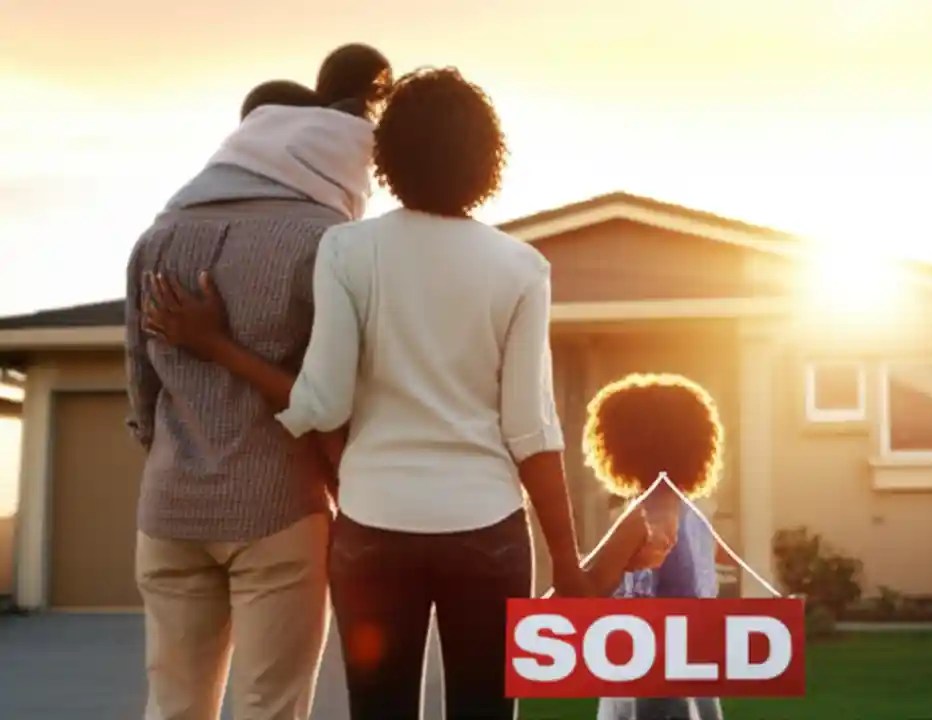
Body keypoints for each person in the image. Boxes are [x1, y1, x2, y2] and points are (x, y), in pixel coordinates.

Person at [141, 67, 594, 720]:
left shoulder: (348, 251)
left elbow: (323, 406)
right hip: (488, 535)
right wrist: (569, 566)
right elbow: (532, 429)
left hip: (375, 534)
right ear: (486, 160)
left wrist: (217, 347)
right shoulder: (522, 268)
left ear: (387, 157)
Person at [124, 46, 389, 720]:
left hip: (170, 508)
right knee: (272, 707)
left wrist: (183, 452)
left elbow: (142, 398)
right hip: (278, 506)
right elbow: (332, 396)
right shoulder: (326, 239)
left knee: (173, 705)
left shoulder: (159, 234)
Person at [574, 373, 729, 720]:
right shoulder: (697, 514)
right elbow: (717, 560)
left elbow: (586, 590)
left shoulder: (639, 519)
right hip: (694, 673)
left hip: (646, 677)